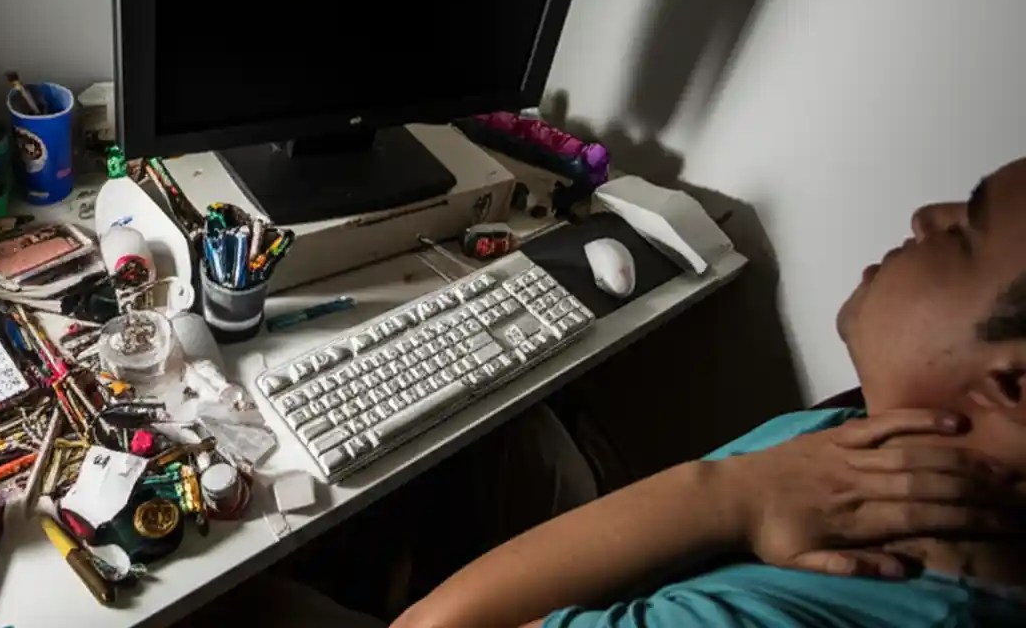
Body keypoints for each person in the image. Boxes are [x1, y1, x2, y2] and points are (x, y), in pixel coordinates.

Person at [394, 157, 1026, 628]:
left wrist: (732, 494)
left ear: (1014, 384)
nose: (926, 218)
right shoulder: (871, 430)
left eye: (965, 231)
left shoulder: (783, 615)